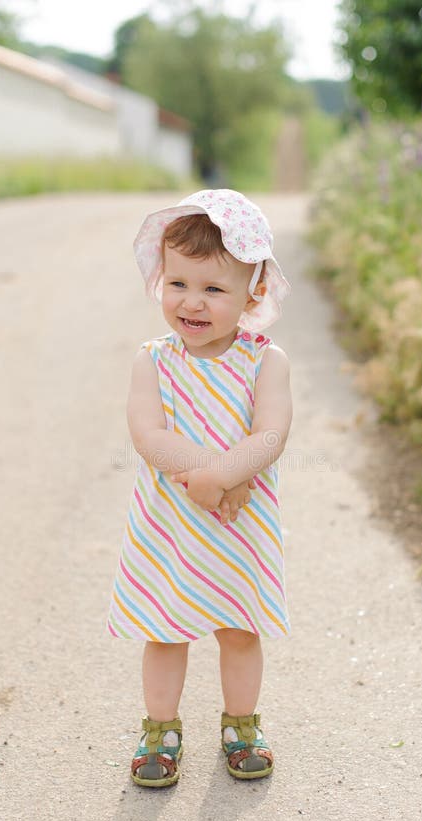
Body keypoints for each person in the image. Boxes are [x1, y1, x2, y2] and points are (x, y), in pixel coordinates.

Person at [107, 189, 292, 787]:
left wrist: (227, 476)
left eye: (214, 289)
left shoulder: (266, 361)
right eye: (179, 284)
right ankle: (160, 729)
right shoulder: (152, 360)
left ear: (252, 292)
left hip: (239, 529)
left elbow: (271, 433)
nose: (192, 302)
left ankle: (242, 723)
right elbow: (148, 434)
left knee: (239, 629)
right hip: (173, 525)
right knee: (165, 631)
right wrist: (210, 475)